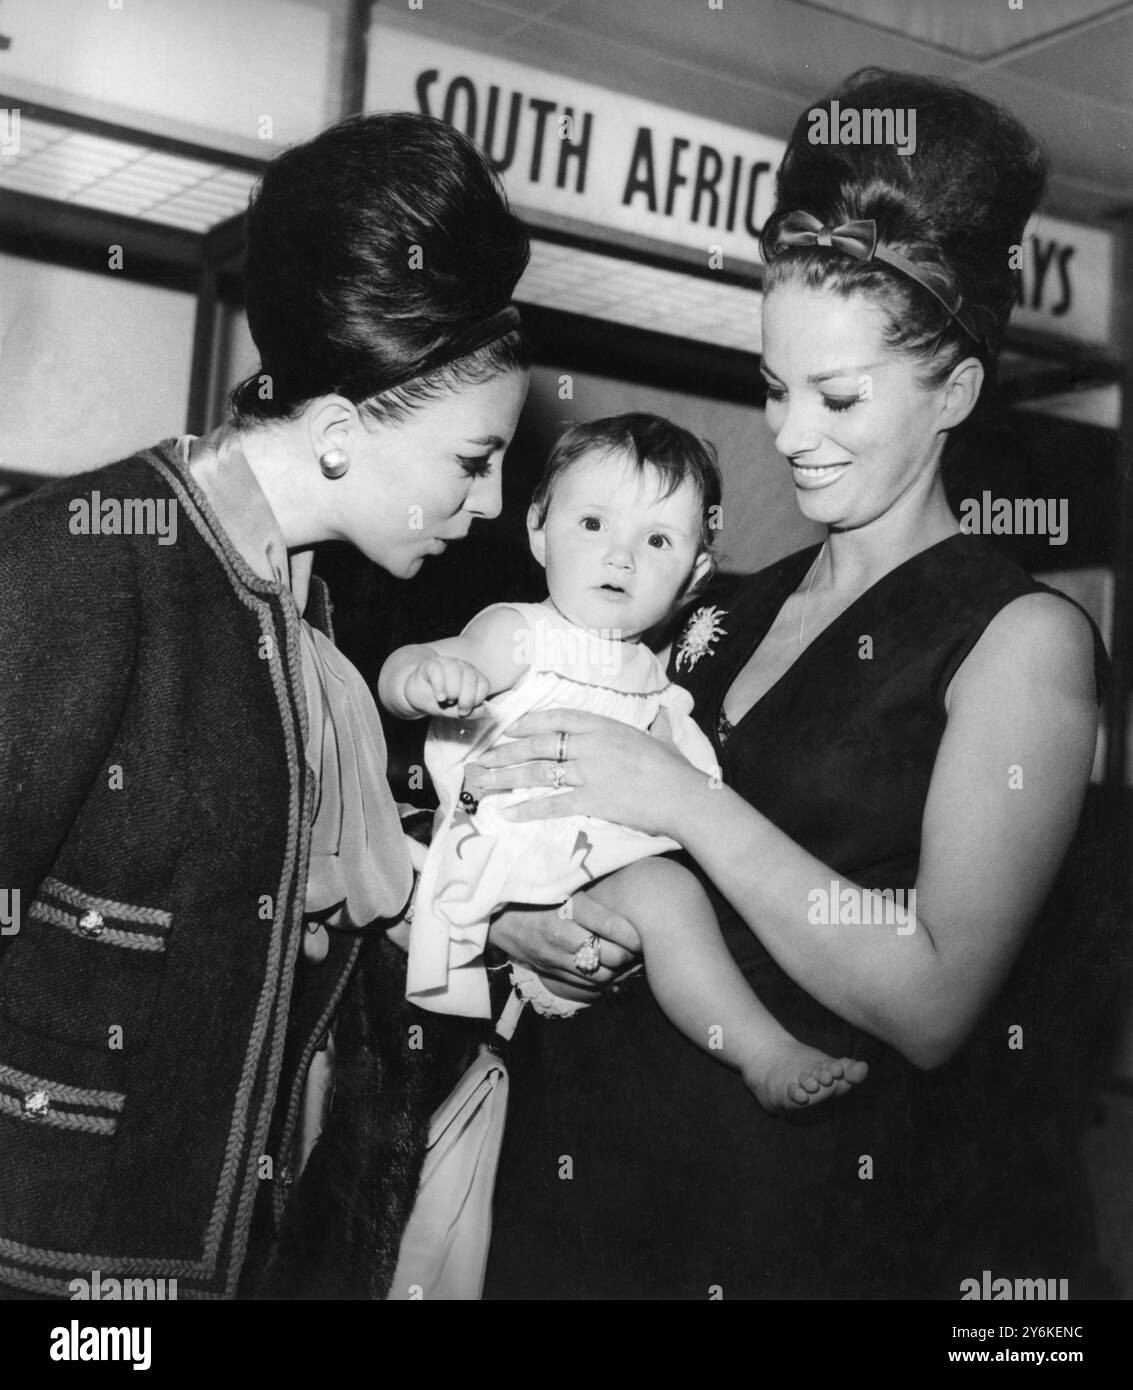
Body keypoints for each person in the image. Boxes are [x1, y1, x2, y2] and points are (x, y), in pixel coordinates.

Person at [476, 70, 1113, 1299]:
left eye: (835, 396)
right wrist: (523, 925)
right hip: (577, 1171)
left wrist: (681, 798)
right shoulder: (716, 602)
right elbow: (563, 800)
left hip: (777, 1218)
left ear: (957, 392)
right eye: (773, 387)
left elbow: (933, 995)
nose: (786, 432)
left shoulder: (1020, 639)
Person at [0, 111, 532, 1300]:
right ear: (341, 435)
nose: (492, 500)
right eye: (471, 458)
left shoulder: (306, 612)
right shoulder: (82, 568)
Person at [380, 413, 869, 1110]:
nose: (620, 557)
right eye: (592, 525)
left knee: (672, 899)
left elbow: (702, 794)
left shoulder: (659, 685)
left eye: (658, 540)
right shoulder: (521, 633)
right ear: (537, 530)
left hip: (596, 897)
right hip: (500, 873)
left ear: (696, 571)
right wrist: (421, 678)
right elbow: (431, 659)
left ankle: (763, 1054)